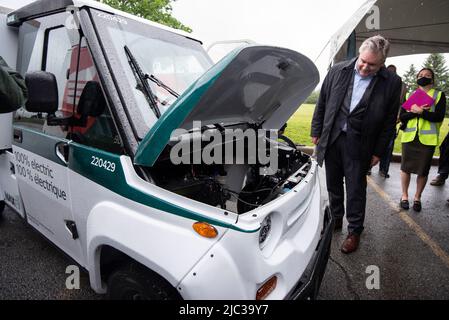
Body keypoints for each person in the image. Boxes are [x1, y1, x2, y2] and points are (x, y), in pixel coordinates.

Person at [311, 35, 402, 254]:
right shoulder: (337, 71)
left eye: (372, 65)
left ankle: (354, 231)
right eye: (363, 61)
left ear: (382, 64)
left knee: (355, 189)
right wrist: (316, 131)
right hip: (333, 138)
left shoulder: (392, 82)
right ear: (359, 54)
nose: (364, 67)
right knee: (332, 183)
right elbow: (322, 102)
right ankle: (336, 219)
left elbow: (390, 121)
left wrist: (380, 151)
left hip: (361, 144)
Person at [399, 68, 446, 212]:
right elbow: (402, 116)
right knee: (405, 168)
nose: (423, 77)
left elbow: (439, 117)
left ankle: (417, 198)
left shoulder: (439, 95)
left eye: (427, 75)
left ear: (432, 79)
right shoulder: (410, 94)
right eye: (420, 75)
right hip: (410, 136)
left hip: (427, 139)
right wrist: (414, 112)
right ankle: (404, 196)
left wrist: (422, 112)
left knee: (423, 171)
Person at [378, 64, 407, 178]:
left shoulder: (401, 85)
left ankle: (384, 170)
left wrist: (399, 116)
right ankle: (368, 168)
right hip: (376, 120)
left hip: (391, 121)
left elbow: (402, 103)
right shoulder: (377, 80)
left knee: (388, 147)